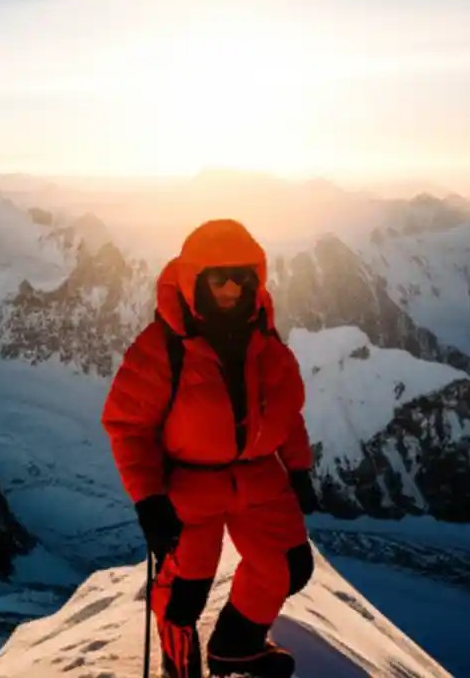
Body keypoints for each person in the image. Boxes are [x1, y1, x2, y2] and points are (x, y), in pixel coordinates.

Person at [102, 219, 320, 678]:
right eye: (217, 277)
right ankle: (179, 670)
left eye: (242, 277)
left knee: (288, 566)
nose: (230, 288)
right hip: (189, 484)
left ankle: (236, 648)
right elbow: (128, 427)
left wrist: (298, 469)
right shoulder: (162, 347)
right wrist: (149, 498)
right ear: (193, 279)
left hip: (261, 477)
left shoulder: (266, 341)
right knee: (185, 592)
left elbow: (287, 413)